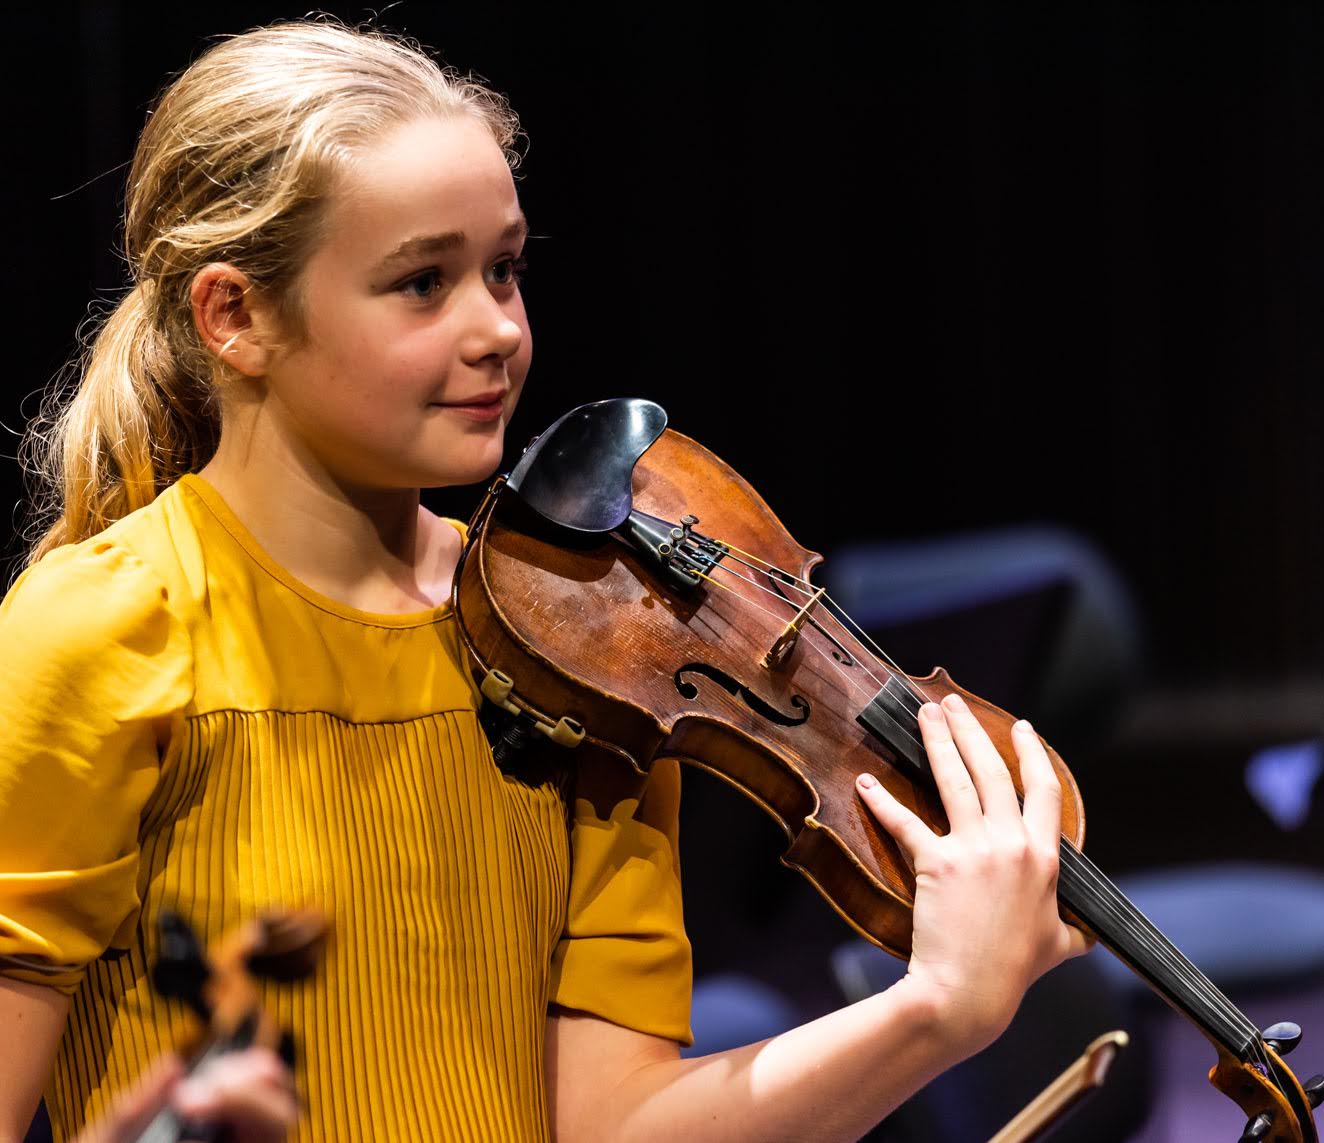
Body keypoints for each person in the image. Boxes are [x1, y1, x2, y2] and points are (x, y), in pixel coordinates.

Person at [0, 19, 1088, 1142]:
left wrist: (939, 1010)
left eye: (504, 269)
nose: (497, 331)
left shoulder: (587, 644)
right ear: (236, 315)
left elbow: (614, 1124)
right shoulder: (103, 630)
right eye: (421, 284)